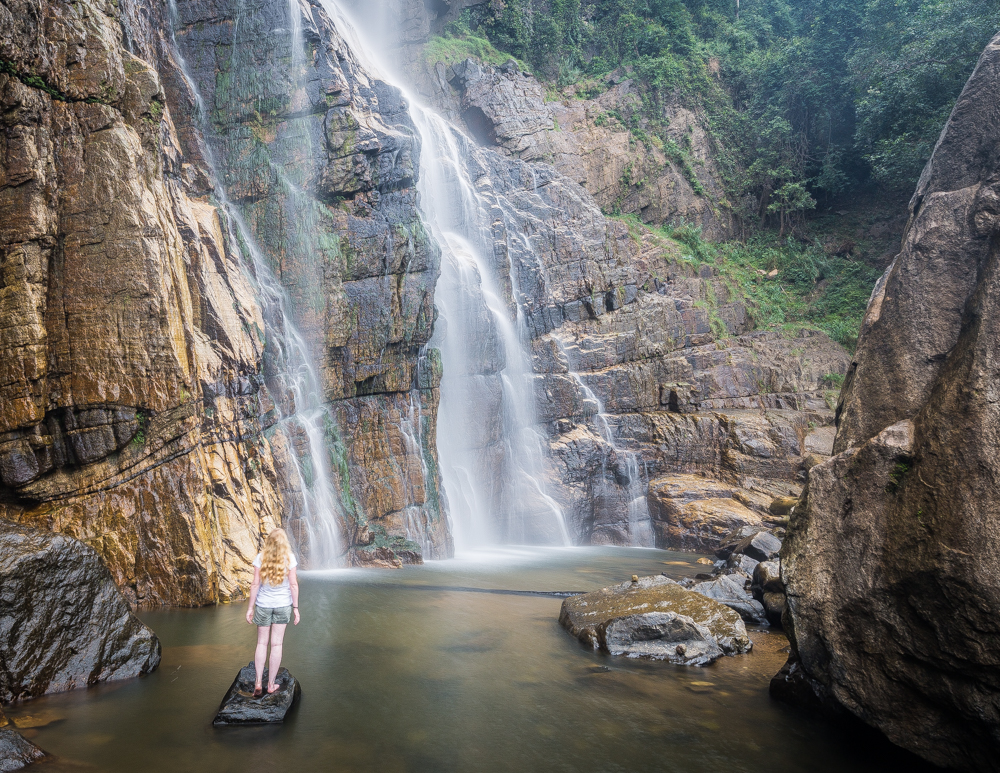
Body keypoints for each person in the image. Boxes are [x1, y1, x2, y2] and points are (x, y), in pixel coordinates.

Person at [246, 528, 300, 696]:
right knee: (276, 644)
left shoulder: (260, 558)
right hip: (283, 605)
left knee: (261, 643)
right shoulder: (290, 558)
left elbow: (255, 584)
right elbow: (293, 585)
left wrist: (250, 608)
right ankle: (270, 684)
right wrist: (296, 608)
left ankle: (257, 683)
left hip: (263, 605)